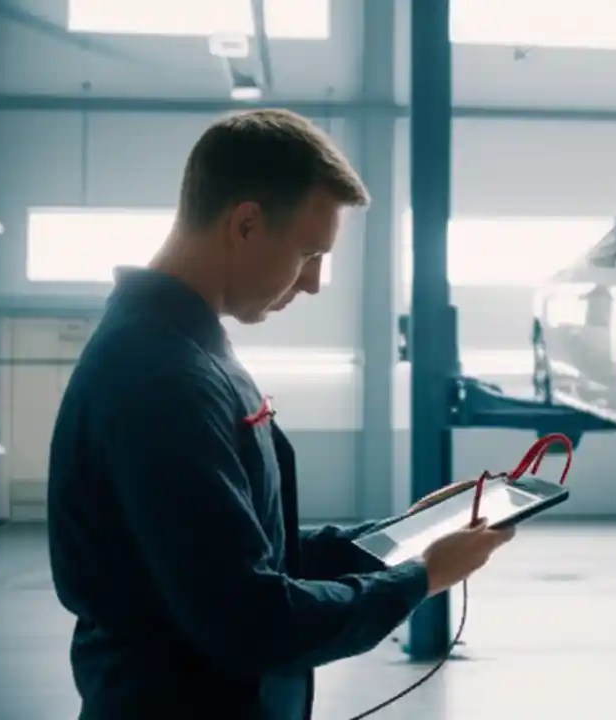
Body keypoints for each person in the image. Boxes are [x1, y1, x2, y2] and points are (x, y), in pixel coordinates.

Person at [47, 108, 513, 719]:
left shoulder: (180, 345)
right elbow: (252, 620)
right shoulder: (161, 381)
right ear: (245, 224)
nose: (315, 283)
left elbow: (242, 550)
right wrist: (420, 576)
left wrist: (402, 536)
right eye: (309, 254)